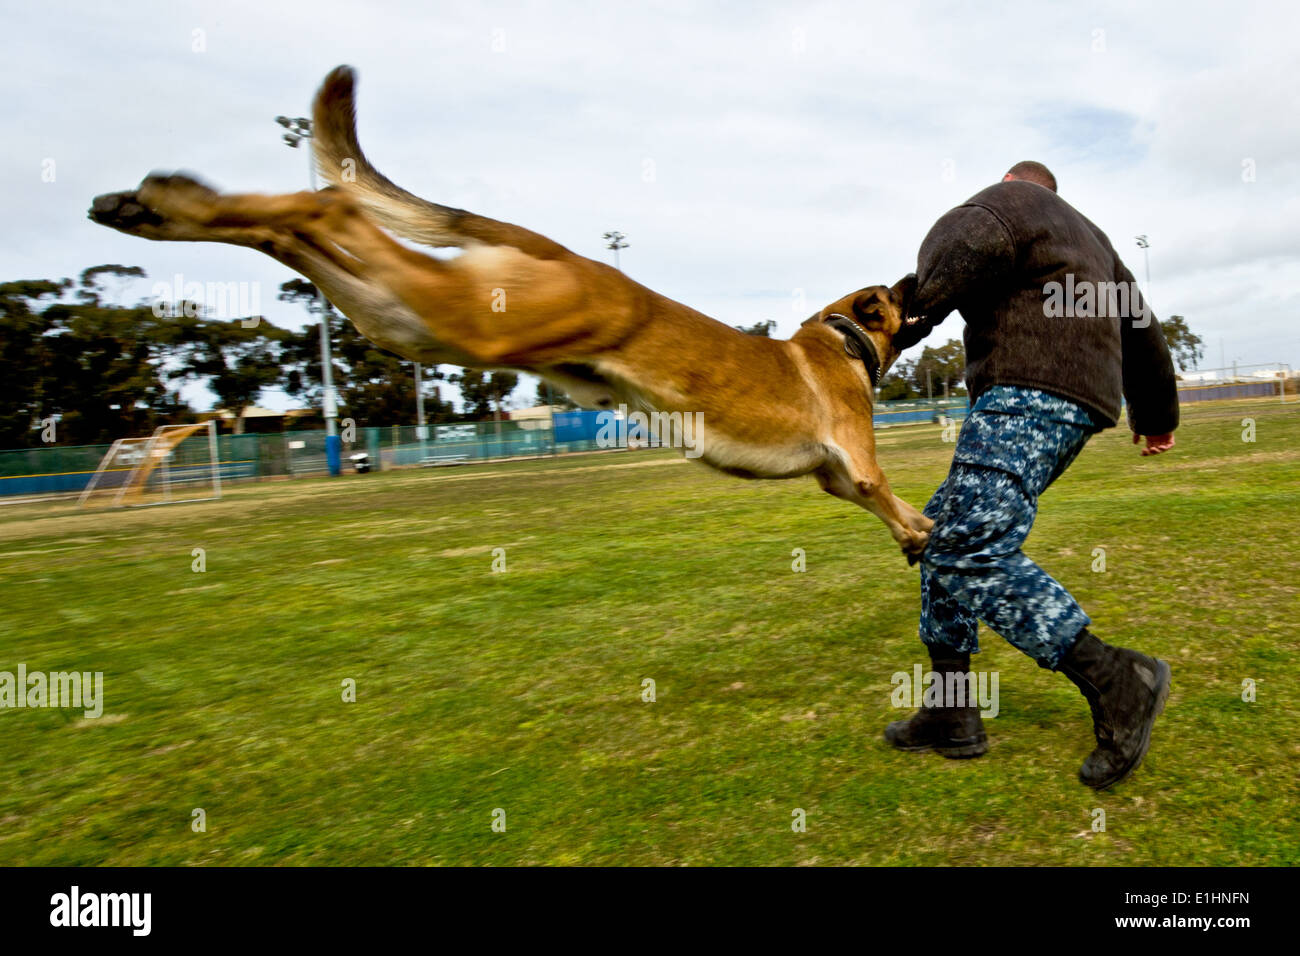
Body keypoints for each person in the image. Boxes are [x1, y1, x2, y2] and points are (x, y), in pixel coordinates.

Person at [887, 160, 1177, 789]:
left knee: (968, 544)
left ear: (1016, 182)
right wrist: (1156, 413)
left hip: (1025, 389)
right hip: (1083, 403)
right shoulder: (1094, 240)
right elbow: (1142, 327)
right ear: (1055, 191)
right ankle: (953, 706)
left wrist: (910, 317)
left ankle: (1119, 680)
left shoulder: (1007, 204)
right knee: (941, 530)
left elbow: (966, 238)